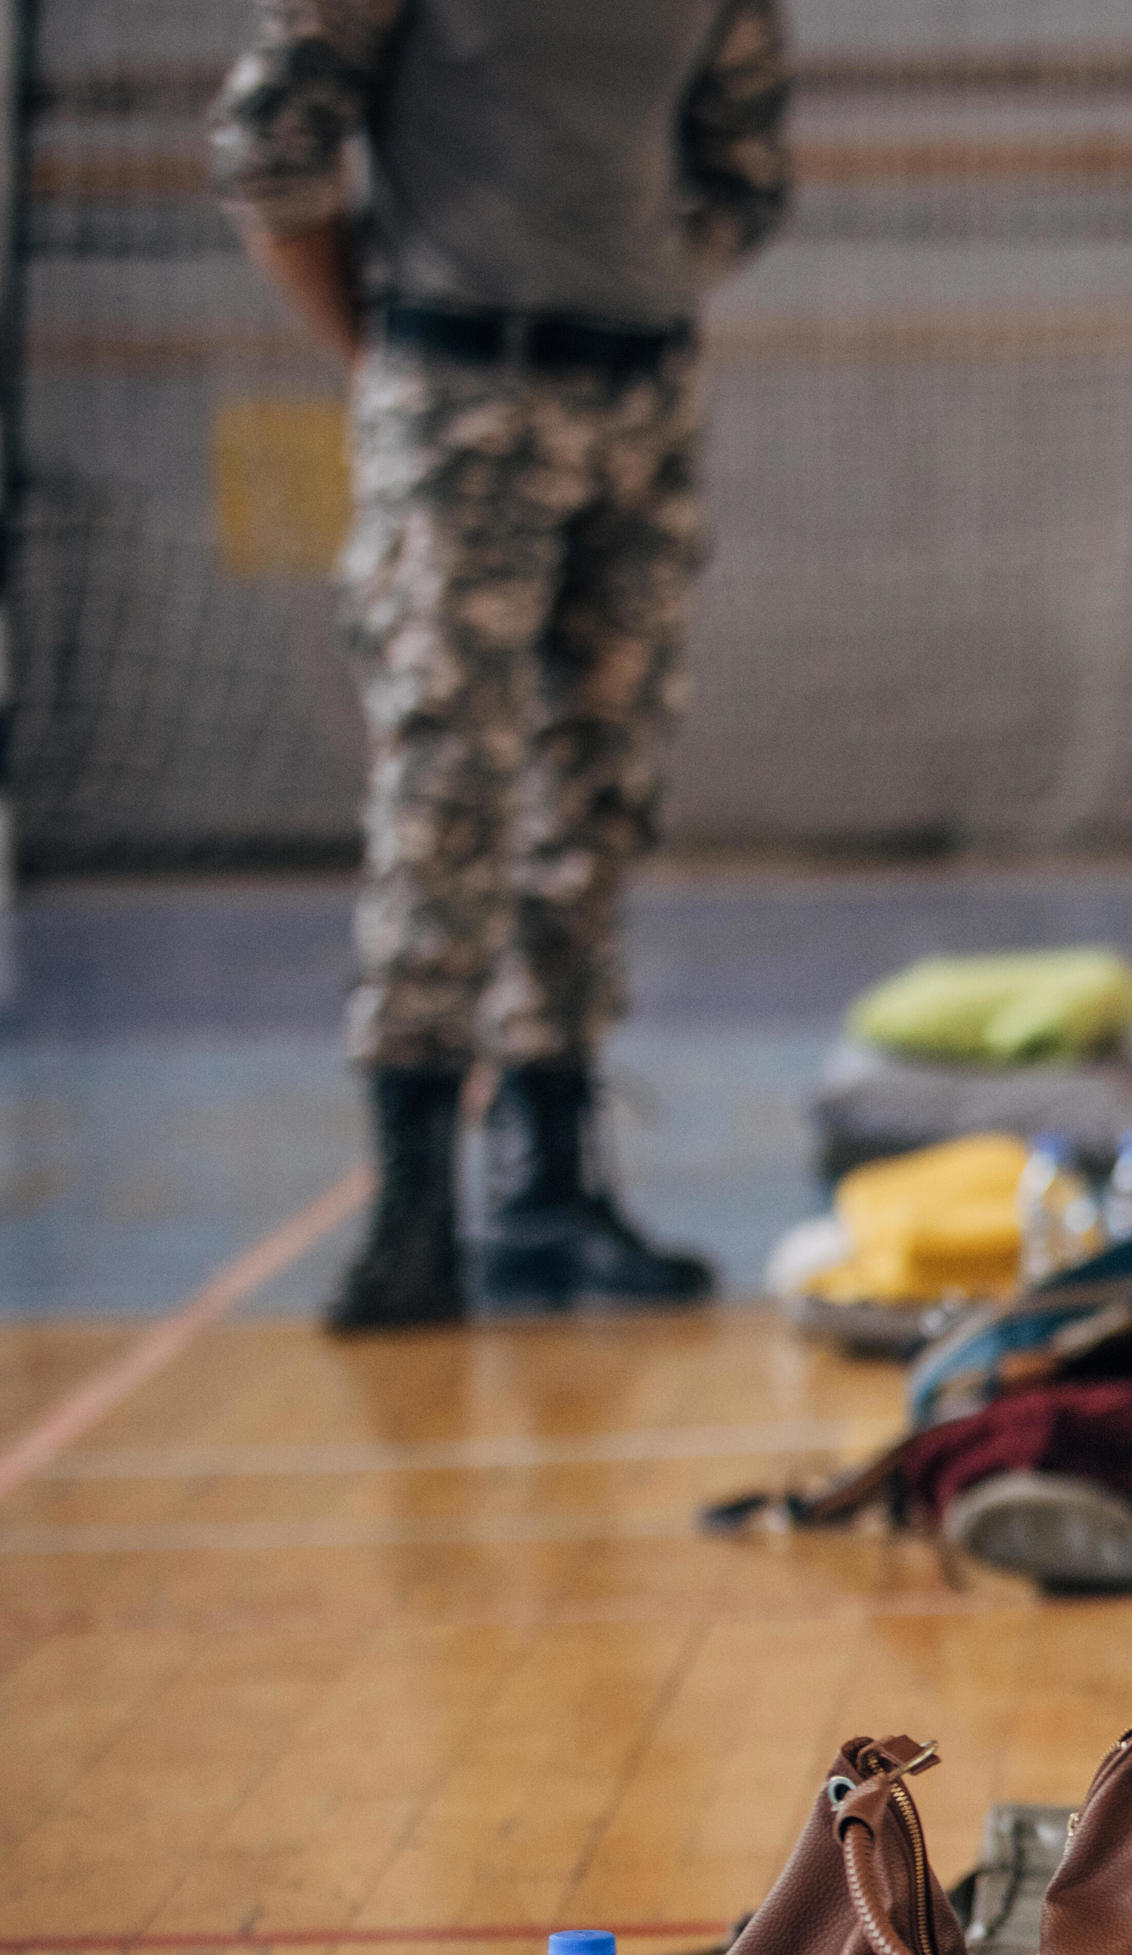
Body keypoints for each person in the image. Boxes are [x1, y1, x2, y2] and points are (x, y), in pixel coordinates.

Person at [210, 0, 794, 1332]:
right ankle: (411, 1211)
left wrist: (627, 263)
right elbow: (270, 141)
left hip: (643, 398)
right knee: (448, 799)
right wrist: (390, 351)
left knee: (599, 791)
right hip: (455, 387)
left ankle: (553, 1182)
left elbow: (746, 167)